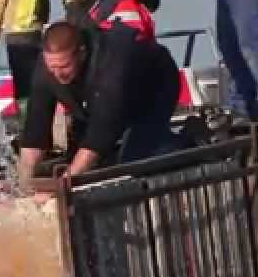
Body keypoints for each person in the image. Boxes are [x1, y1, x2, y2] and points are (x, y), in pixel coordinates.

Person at [17, 22, 180, 190]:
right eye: (53, 67)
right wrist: (24, 187)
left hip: (154, 86)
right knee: (80, 159)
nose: (58, 73)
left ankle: (188, 141)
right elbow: (35, 132)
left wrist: (60, 190)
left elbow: (98, 137)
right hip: (95, 95)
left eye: (64, 66)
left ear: (81, 54)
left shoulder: (112, 65)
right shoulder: (46, 69)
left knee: (132, 162)